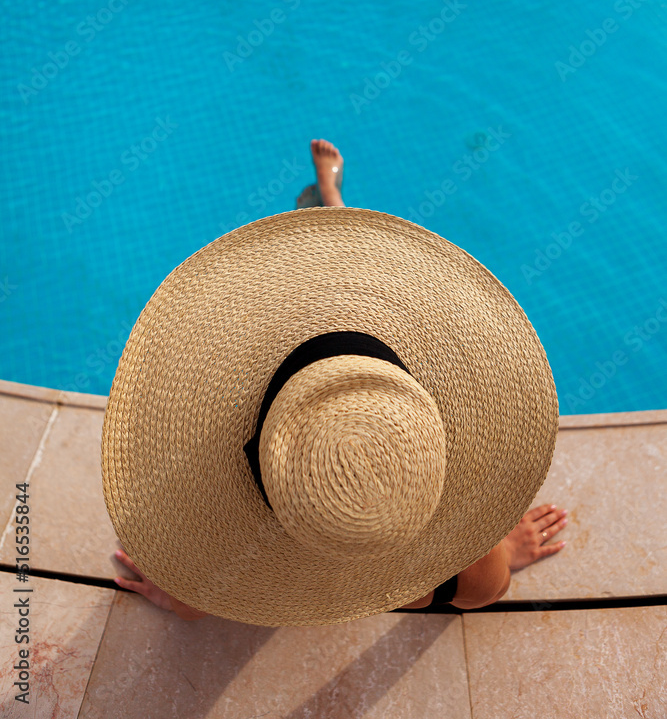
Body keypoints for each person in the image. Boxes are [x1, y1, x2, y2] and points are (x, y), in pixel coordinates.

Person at [113, 139, 567, 621]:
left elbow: (200, 603)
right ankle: (330, 201)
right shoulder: (467, 577)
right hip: (414, 548)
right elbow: (488, 588)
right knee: (361, 281)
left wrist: (185, 596)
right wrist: (496, 548)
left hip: (319, 492)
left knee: (344, 278)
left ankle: (330, 205)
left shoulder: (251, 562)